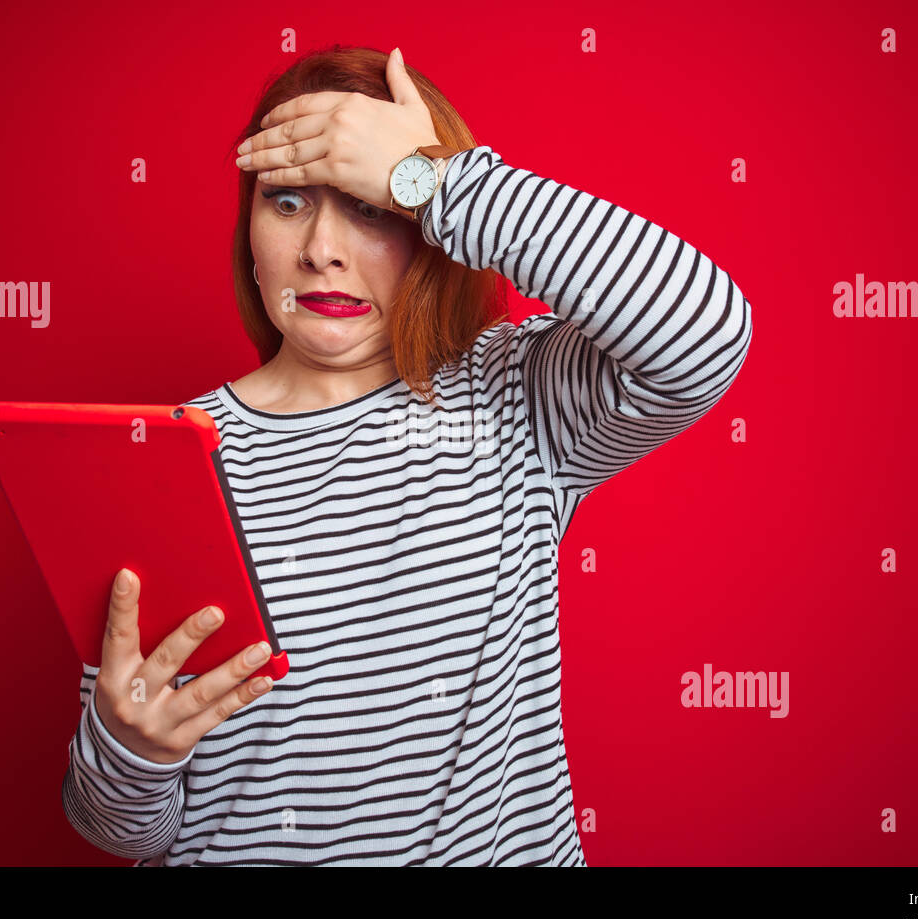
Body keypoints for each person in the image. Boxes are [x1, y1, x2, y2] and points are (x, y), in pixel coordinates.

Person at [62, 44, 753, 866]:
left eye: (368, 206)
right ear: (249, 226)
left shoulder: (515, 399)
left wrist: (438, 179)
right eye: (286, 202)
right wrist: (131, 748)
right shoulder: (162, 458)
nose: (321, 248)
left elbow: (705, 331)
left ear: (428, 226)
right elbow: (120, 830)